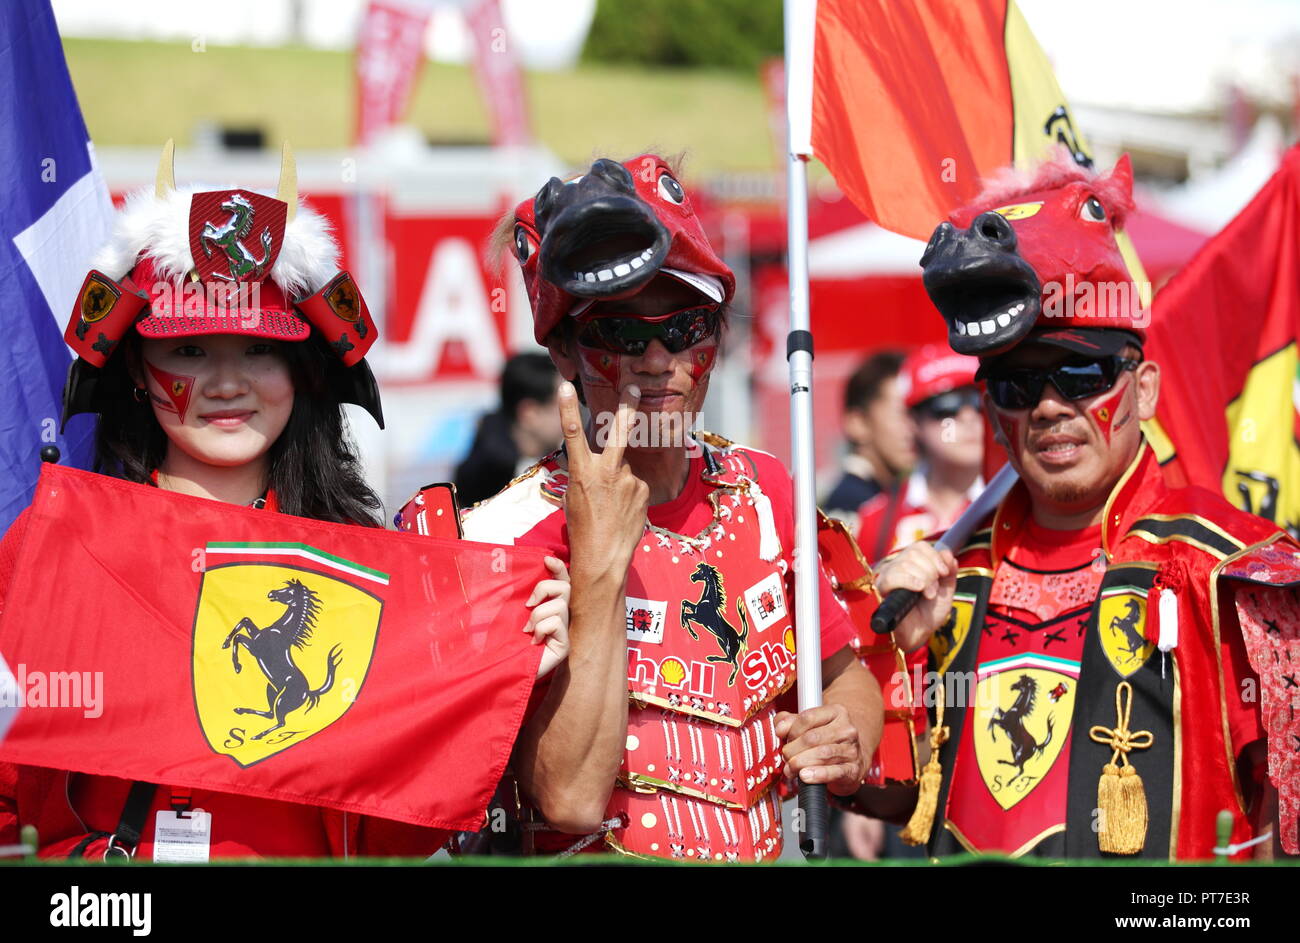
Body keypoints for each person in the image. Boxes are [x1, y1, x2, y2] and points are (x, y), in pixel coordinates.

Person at [0, 145, 571, 861]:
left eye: (259, 352)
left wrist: (505, 674)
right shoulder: (55, 544)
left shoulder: (369, 569)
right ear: (138, 372)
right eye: (190, 351)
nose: (227, 382)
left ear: (303, 372)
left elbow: (389, 829)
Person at [447, 154, 884, 861]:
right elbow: (568, 798)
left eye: (684, 329)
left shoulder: (765, 489)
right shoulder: (503, 535)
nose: (657, 360)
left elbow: (844, 672)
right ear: (563, 350)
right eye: (620, 334)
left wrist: (848, 734)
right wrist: (598, 561)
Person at [873, 152, 1299, 859]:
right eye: (1018, 385)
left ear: (1146, 389)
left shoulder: (1232, 573)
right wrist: (885, 657)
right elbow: (898, 798)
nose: (1048, 407)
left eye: (1081, 374)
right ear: (991, 407)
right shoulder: (941, 577)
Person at [856, 344, 984, 563]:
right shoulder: (874, 521)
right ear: (913, 421)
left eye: (978, 401)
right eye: (947, 406)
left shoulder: (1018, 504)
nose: (968, 417)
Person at [454, 352, 562, 507]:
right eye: (561, 405)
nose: (573, 414)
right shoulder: (494, 474)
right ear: (530, 413)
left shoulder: (490, 436)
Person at [822, 350, 916, 526]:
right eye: (902, 413)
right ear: (857, 423)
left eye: (917, 413)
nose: (913, 428)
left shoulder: (890, 495)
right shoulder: (851, 506)